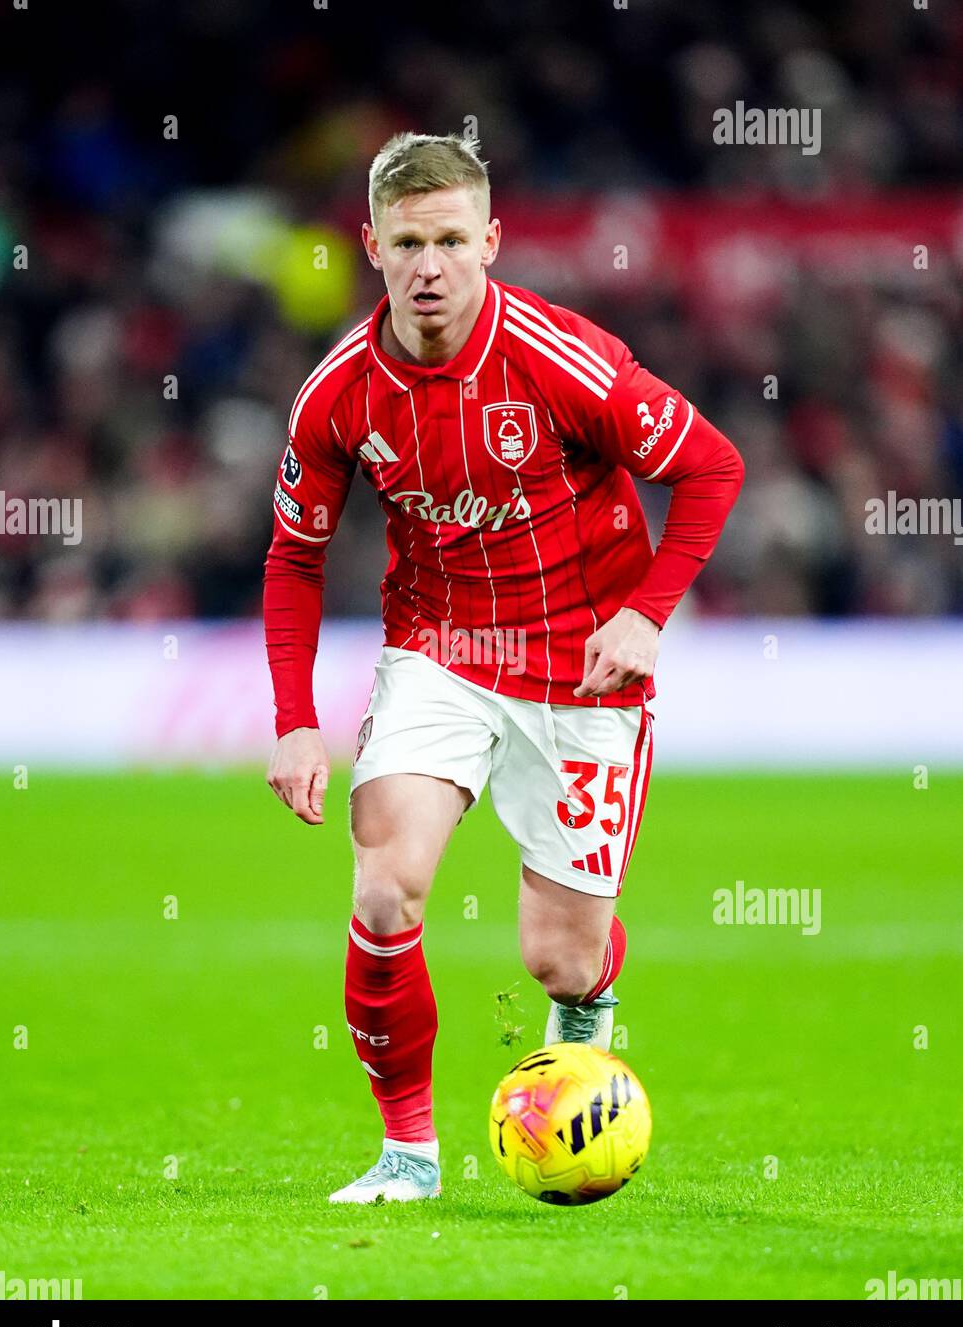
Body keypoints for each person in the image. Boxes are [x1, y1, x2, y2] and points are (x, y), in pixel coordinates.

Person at [263, 132, 744, 1203]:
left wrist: (647, 615)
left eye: (447, 240)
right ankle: (407, 1154)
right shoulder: (337, 393)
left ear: (489, 240)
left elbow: (712, 463)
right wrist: (296, 718)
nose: (427, 265)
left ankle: (588, 1002)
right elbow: (294, 555)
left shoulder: (562, 359)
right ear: (370, 247)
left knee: (557, 959)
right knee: (386, 884)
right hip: (437, 653)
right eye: (405, 243)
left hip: (581, 666)